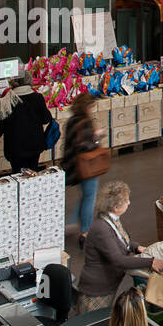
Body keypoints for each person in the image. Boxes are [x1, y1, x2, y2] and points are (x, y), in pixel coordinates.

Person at [75, 181, 163, 315]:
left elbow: (122, 240)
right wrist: (151, 261)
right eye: (126, 201)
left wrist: (137, 247)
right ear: (116, 207)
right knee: (91, 323)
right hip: (98, 290)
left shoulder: (111, 219)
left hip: (108, 284)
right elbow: (119, 260)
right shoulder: (102, 228)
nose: (129, 203)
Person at [60, 91, 103, 244]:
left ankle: (71, 223)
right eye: (91, 106)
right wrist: (96, 137)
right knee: (90, 197)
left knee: (86, 195)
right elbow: (85, 146)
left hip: (72, 165)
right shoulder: (84, 123)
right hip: (87, 166)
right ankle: (85, 230)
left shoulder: (72, 120)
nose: (92, 109)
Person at [0, 74, 54, 174]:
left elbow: (0, 128)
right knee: (32, 173)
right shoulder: (37, 98)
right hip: (34, 146)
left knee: (18, 175)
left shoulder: (5, 101)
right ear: (29, 81)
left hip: (14, 149)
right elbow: (46, 119)